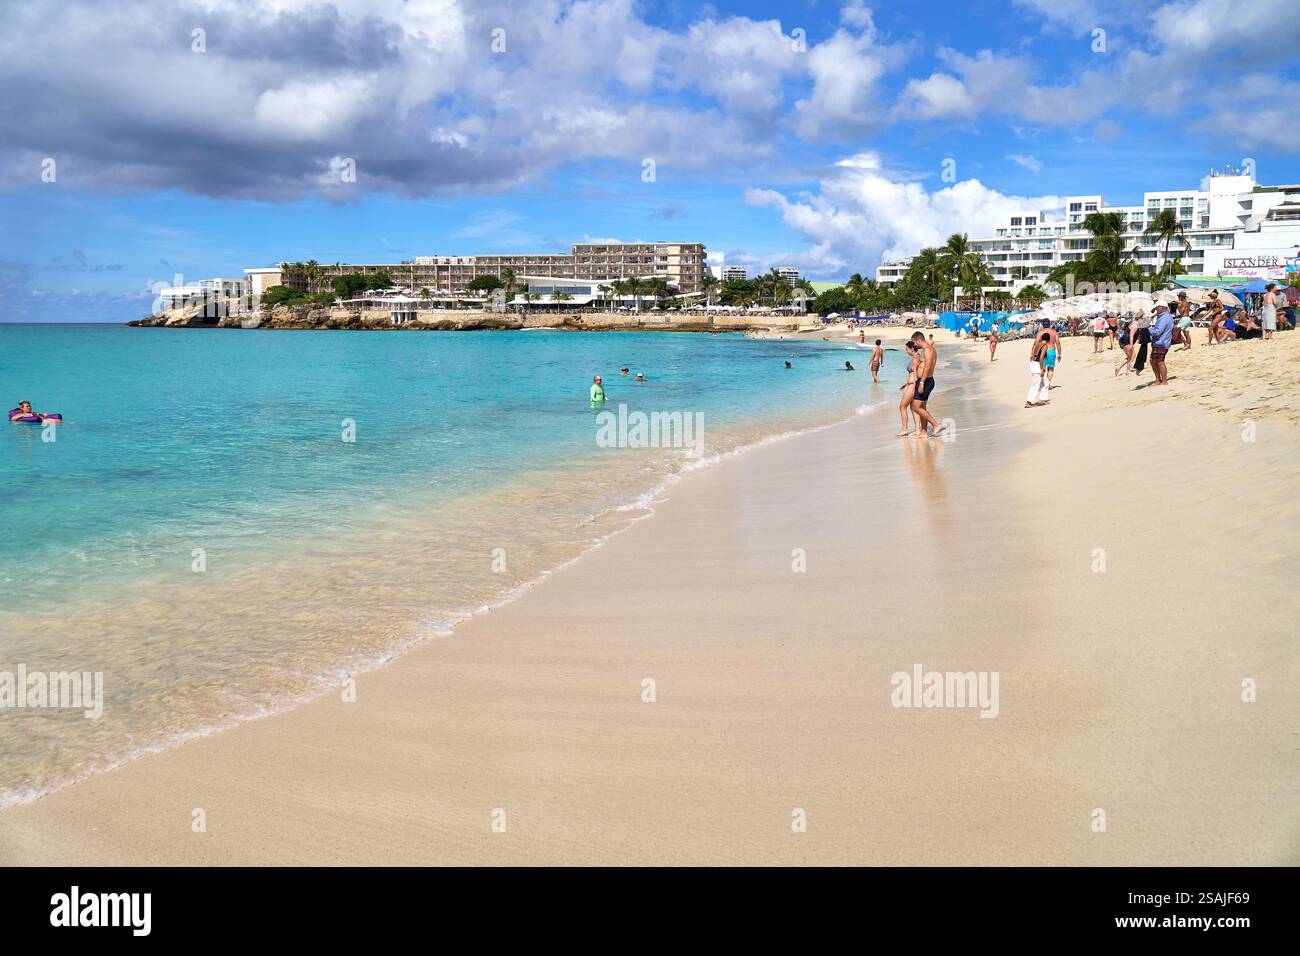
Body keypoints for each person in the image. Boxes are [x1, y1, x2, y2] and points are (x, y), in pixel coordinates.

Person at [908, 331, 944, 438]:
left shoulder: (928, 350)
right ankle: (924, 432)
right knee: (922, 406)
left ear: (918, 340)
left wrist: (922, 382)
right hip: (926, 380)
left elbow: (927, 367)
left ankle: (936, 425)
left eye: (914, 343)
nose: (915, 345)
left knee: (915, 406)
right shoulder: (930, 349)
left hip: (926, 381)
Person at [896, 341, 919, 437]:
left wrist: (914, 385)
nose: (906, 351)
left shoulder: (916, 358)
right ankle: (917, 429)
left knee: (902, 406)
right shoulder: (916, 357)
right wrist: (906, 383)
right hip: (910, 384)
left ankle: (904, 429)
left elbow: (917, 375)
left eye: (907, 349)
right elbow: (912, 374)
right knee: (913, 407)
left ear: (912, 349)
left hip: (912, 385)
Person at [1149, 302, 1174, 385]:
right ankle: (1158, 379)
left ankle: (1163, 381)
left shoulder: (1164, 317)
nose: (1156, 310)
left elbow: (1158, 331)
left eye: (1157, 308)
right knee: (1153, 360)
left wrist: (1147, 330)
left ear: (1163, 307)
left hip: (1161, 342)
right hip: (1161, 342)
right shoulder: (1164, 316)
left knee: (1159, 361)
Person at [1025, 332, 1050, 407]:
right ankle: (1029, 402)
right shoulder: (1045, 346)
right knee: (1035, 384)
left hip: (1033, 364)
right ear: (1048, 339)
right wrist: (1042, 369)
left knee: (1045, 382)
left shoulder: (1038, 344)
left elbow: (1033, 354)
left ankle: (1042, 399)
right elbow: (1041, 358)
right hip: (1037, 365)